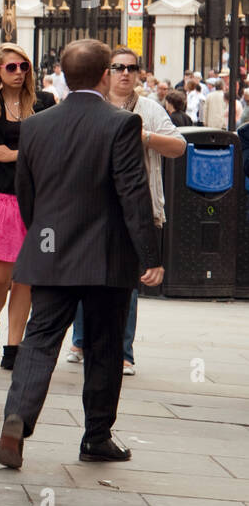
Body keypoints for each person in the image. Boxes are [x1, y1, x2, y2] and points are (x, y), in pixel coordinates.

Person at [0, 39, 163, 470]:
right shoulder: (120, 124)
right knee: (105, 345)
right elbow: (132, 194)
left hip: (50, 252)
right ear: (105, 75)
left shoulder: (36, 126)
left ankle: (16, 420)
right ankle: (96, 437)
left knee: (39, 339)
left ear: (64, 76)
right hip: (107, 258)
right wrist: (150, 255)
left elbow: (26, 193)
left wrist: (42, 238)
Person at [62, 46, 185, 376]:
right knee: (84, 274)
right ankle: (80, 340)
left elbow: (178, 146)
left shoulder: (149, 109)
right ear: (106, 72)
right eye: (118, 67)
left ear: (139, 73)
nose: (125, 73)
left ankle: (123, 352)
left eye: (131, 68)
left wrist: (143, 136)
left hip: (136, 207)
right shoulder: (92, 105)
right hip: (92, 204)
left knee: (128, 283)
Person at [0, 42, 57, 370]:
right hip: (1, 196)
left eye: (24, 67)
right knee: (0, 277)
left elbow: (55, 146)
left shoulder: (45, 102)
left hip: (36, 197)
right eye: (11, 68)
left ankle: (14, 347)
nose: (19, 73)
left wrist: (15, 154)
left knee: (26, 277)